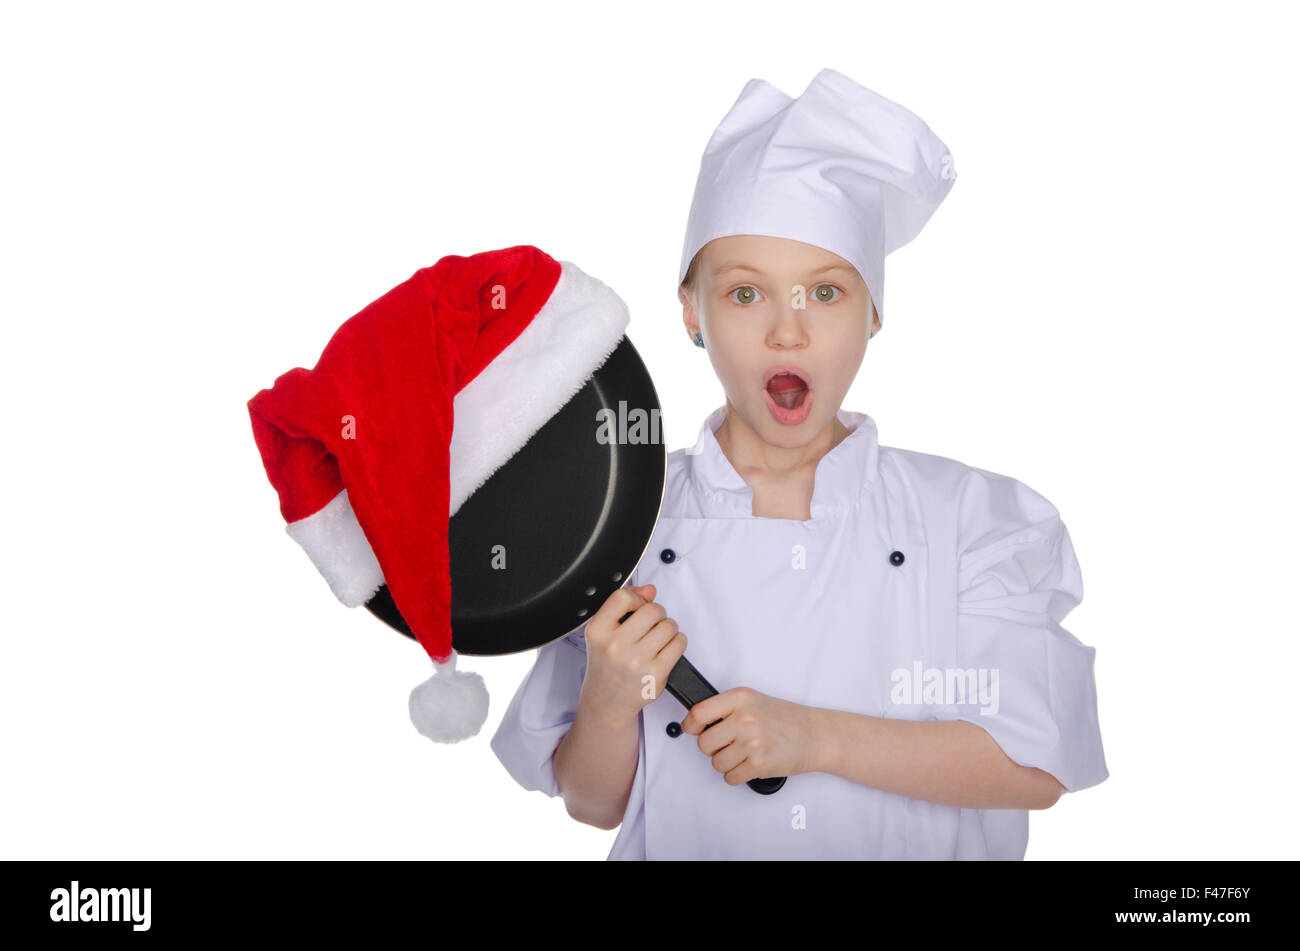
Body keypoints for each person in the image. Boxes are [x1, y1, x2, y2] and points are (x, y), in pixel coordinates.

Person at [490, 68, 1107, 860]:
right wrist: (609, 699)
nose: (789, 332)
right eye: (747, 295)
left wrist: (815, 737)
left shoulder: (972, 519)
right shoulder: (619, 524)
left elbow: (1033, 765)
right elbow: (592, 804)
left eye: (826, 293)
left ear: (874, 312)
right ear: (693, 312)